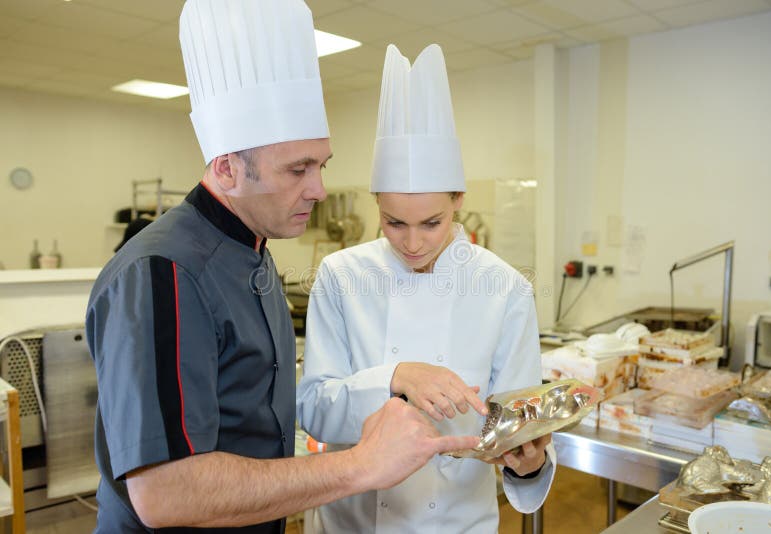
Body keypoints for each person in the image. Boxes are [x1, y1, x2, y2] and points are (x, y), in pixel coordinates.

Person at [85, 2, 478, 532]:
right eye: (297, 169)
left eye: (321, 165)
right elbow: (165, 492)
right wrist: (358, 465)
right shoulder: (163, 272)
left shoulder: (255, 253)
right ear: (226, 168)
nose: (317, 190)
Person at [297, 44, 557, 533]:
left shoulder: (503, 288)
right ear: (376, 203)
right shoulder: (340, 276)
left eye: (432, 222)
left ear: (459, 198)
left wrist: (530, 461)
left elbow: (520, 427)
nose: (412, 243)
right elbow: (313, 408)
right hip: (352, 523)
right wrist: (394, 376)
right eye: (394, 222)